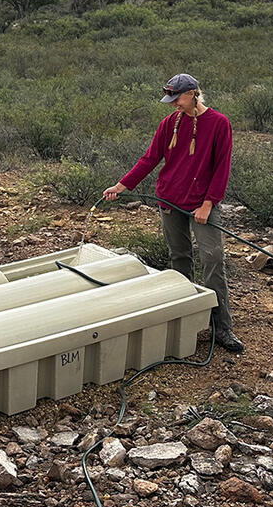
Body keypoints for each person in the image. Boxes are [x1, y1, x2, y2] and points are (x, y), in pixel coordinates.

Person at [103, 73, 243, 353]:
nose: (172, 105)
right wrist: (122, 184)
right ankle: (185, 319)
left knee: (212, 258)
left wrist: (208, 203)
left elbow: (222, 167)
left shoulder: (219, 123)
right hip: (170, 199)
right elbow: (150, 158)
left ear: (193, 93)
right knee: (179, 258)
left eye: (176, 98)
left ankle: (222, 326)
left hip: (202, 204)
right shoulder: (169, 124)